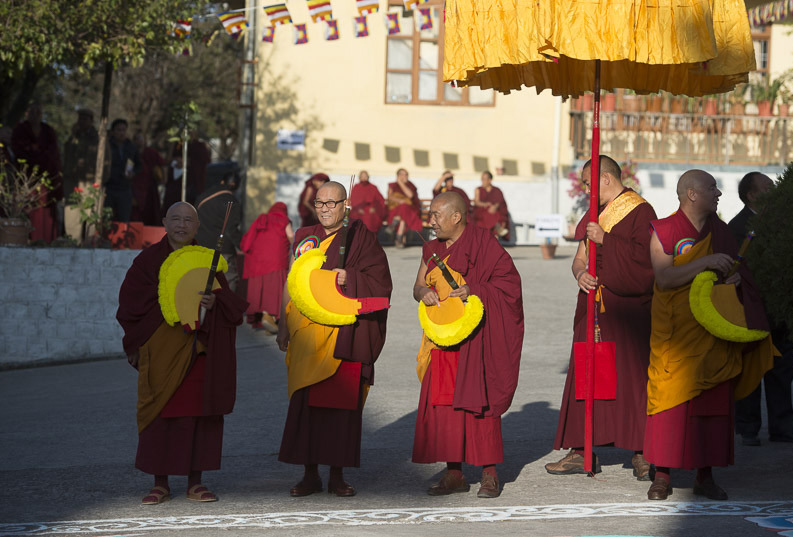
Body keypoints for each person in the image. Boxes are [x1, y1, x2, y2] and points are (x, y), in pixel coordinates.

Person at [643, 169, 776, 501]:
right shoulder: (664, 230)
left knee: (711, 403)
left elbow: (733, 272)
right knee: (669, 404)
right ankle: (661, 475)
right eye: (712, 188)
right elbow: (665, 278)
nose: (719, 194)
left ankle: (706, 474)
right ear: (691, 193)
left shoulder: (722, 232)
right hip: (676, 333)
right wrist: (706, 264)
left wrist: (732, 281)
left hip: (712, 330)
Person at [117, 201, 248, 505]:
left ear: (197, 226)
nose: (181, 225)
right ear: (164, 221)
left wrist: (214, 306)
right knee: (160, 413)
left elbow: (230, 305)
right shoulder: (147, 261)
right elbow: (131, 306)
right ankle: (159, 483)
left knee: (198, 414)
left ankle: (196, 482)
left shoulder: (207, 261)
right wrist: (141, 342)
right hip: (162, 349)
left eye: (189, 220)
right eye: (175, 218)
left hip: (197, 350)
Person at [276, 181, 392, 497]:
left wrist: (349, 278)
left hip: (342, 333)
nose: (326, 209)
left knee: (340, 406)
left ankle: (337, 475)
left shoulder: (359, 237)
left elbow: (380, 280)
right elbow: (292, 279)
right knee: (306, 405)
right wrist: (283, 324)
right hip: (307, 332)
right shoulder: (305, 237)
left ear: (345, 205)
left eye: (332, 203)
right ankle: (309, 474)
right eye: (321, 203)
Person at [546, 157, 657, 479]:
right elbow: (579, 259)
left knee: (633, 379)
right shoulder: (597, 215)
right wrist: (580, 274)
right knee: (589, 375)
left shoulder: (640, 211)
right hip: (593, 306)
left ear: (605, 179)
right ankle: (582, 449)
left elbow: (646, 262)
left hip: (628, 312)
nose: (584, 190)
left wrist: (607, 240)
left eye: (587, 183)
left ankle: (642, 450)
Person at [412, 191, 524, 498]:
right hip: (443, 337)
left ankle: (489, 474)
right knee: (446, 405)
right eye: (430, 215)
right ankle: (454, 474)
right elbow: (418, 285)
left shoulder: (484, 243)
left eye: (436, 215)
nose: (430, 221)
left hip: (476, 339)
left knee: (478, 403)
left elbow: (509, 285)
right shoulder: (432, 248)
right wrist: (424, 293)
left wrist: (474, 289)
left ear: (456, 217)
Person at [729, 172, 793, 446]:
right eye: (768, 187)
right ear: (751, 195)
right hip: (751, 309)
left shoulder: (782, 222)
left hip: (778, 309)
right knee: (750, 369)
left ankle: (783, 426)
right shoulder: (737, 226)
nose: (774, 190)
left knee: (781, 367)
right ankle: (748, 428)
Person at [11, 102, 63, 241]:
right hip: (26, 179)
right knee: (27, 209)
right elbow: (19, 150)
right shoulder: (20, 129)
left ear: (41, 115)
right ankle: (25, 238)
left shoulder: (48, 130)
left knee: (44, 211)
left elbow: (53, 153)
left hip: (45, 178)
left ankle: (45, 240)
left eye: (38, 113)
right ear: (27, 114)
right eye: (32, 112)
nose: (35, 115)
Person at [241, 201, 293, 333]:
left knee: (262, 290)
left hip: (257, 261)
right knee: (275, 290)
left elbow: (249, 238)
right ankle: (269, 317)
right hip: (276, 259)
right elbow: (291, 236)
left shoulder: (262, 218)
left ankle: (267, 319)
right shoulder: (283, 219)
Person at [195, 170, 243, 291]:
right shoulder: (233, 202)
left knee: (202, 284)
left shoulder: (202, 198)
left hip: (201, 247)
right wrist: (243, 245)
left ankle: (202, 310)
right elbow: (231, 230)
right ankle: (224, 309)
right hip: (223, 250)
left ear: (222, 181)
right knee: (227, 283)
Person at [62, 109, 99, 240]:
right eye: (80, 118)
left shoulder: (97, 138)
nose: (81, 122)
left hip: (90, 182)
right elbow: (66, 156)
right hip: (72, 181)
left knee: (90, 215)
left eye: (85, 119)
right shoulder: (73, 138)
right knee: (72, 214)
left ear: (91, 121)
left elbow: (103, 161)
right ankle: (73, 242)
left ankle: (89, 243)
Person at [104, 119, 142, 223]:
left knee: (124, 219)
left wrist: (133, 173)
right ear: (113, 131)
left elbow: (139, 165)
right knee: (106, 218)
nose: (121, 133)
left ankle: (122, 239)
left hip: (125, 188)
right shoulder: (106, 145)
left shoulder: (131, 147)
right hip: (109, 187)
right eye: (118, 130)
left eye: (123, 130)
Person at [131, 132, 166, 226]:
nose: (139, 141)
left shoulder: (151, 152)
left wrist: (162, 179)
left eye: (141, 138)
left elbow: (162, 165)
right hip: (134, 186)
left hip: (149, 187)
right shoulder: (131, 152)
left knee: (150, 210)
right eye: (137, 139)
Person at [387, 168, 423, 248]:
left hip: (411, 210)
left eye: (406, 174)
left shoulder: (410, 185)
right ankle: (399, 239)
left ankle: (394, 223)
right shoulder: (392, 185)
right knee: (403, 214)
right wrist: (400, 200)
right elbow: (390, 197)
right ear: (398, 175)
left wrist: (400, 183)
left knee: (404, 208)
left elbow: (410, 195)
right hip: (396, 210)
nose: (405, 176)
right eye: (403, 174)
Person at [473, 171, 509, 239]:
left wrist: (495, 206)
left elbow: (500, 202)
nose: (482, 181)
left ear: (490, 180)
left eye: (484, 179)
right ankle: (497, 228)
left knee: (496, 213)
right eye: (482, 179)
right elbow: (476, 202)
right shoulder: (478, 189)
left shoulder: (497, 190)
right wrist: (485, 204)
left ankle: (495, 232)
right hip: (481, 211)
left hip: (493, 212)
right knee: (488, 213)